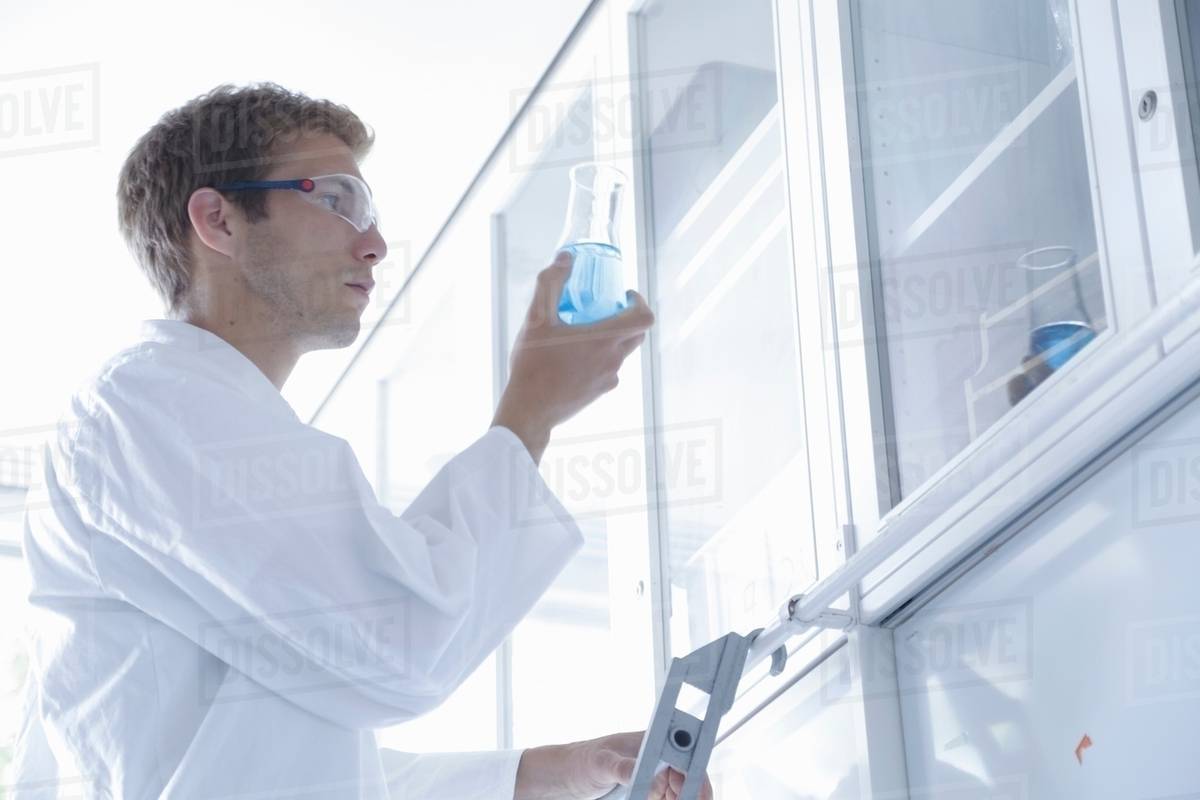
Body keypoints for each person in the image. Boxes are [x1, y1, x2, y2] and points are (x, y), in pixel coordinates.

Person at [7, 83, 712, 800]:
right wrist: (528, 409)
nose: (373, 244)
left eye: (368, 212)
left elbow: (308, 768)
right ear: (218, 219)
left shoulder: (186, 418)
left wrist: (553, 772)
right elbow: (402, 641)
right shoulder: (151, 403)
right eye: (335, 199)